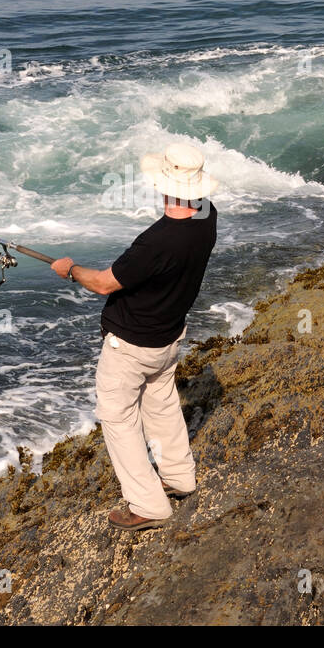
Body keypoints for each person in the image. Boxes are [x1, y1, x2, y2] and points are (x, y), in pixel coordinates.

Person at [51, 143, 219, 530]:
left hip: (131, 344)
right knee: (161, 402)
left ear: (166, 184)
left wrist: (70, 268)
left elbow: (104, 284)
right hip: (169, 334)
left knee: (117, 416)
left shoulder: (156, 242)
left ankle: (148, 504)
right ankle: (179, 477)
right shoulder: (208, 216)